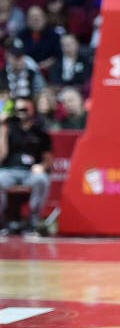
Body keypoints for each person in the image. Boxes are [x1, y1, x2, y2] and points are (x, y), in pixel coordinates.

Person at [0, 96, 51, 231]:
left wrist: (42, 166)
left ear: (32, 109)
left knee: (42, 180)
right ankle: (1, 222)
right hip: (8, 170)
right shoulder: (8, 128)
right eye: (18, 109)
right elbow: (1, 156)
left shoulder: (40, 132)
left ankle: (33, 222)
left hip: (30, 172)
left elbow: (48, 158)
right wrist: (2, 130)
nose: (21, 112)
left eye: (24, 109)